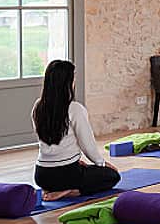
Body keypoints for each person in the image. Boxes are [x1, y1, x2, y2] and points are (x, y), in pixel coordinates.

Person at [33, 59, 120, 201]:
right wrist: (102, 164)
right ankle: (69, 190)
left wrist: (75, 160)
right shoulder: (74, 109)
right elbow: (87, 144)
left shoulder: (38, 107)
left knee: (82, 172)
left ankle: (58, 189)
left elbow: (46, 141)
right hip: (67, 174)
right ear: (67, 83)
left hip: (42, 175)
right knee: (112, 176)